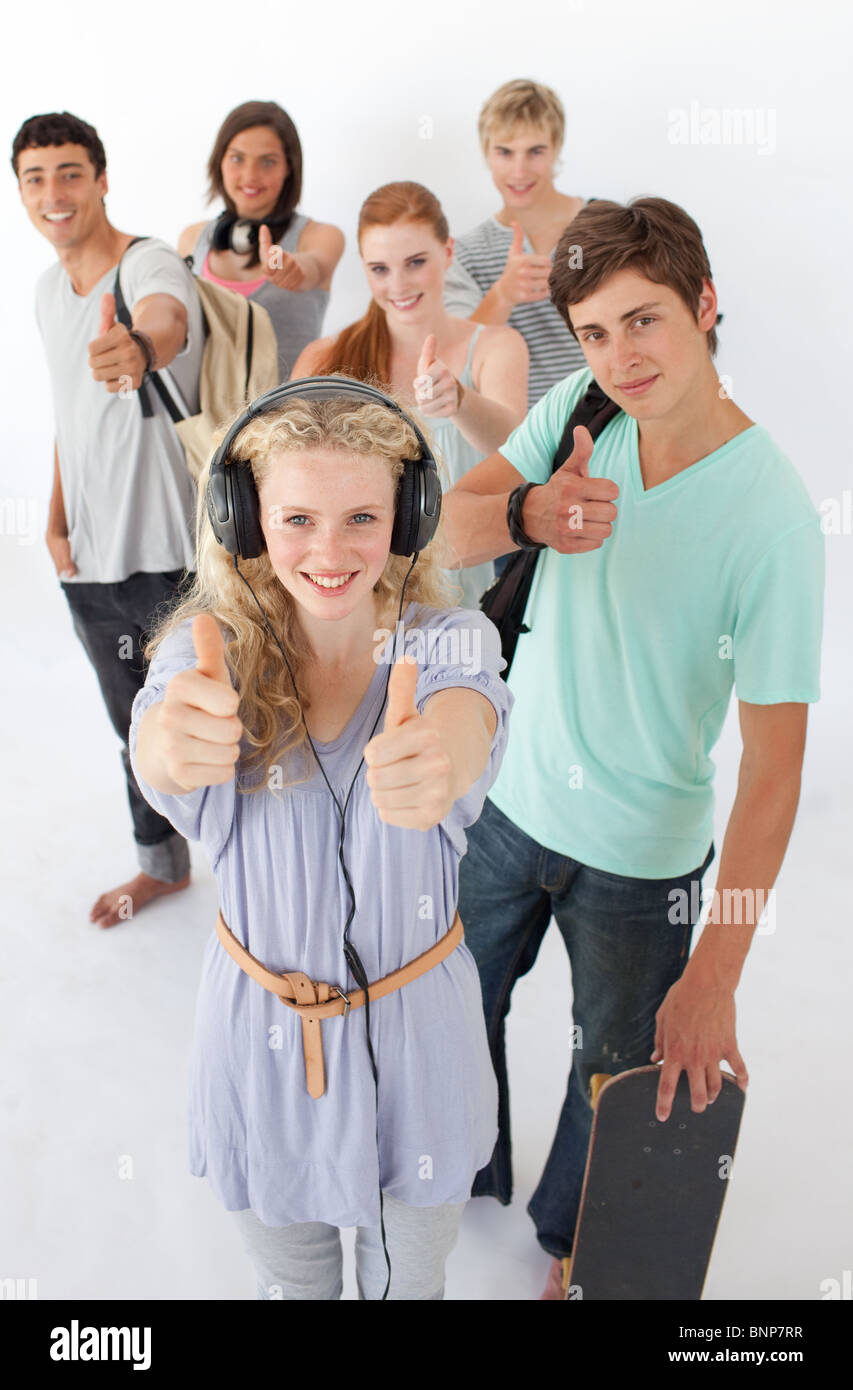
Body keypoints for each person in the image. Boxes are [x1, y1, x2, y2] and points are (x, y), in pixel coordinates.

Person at [438, 196, 824, 1298]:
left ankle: (569, 1249)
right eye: (596, 331)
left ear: (705, 306)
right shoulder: (579, 411)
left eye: (643, 321)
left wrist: (717, 966)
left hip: (640, 863)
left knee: (608, 1077)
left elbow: (776, 770)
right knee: (447, 1006)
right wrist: (531, 513)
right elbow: (449, 525)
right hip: (508, 808)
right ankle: (453, 1173)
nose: (620, 357)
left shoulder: (775, 519)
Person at [128, 381, 514, 1300]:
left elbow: (472, 710)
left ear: (408, 519)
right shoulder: (204, 648)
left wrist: (442, 752)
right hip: (258, 1042)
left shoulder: (449, 641)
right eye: (297, 516)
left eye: (362, 516)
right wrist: (171, 745)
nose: (331, 551)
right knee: (291, 1290)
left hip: (417, 1049)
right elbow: (160, 729)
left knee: (407, 1288)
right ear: (247, 518)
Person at [14, 110, 205, 927]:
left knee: (215, 726)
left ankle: (264, 884)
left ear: (100, 179)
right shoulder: (47, 292)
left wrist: (140, 348)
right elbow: (70, 415)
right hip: (90, 558)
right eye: (34, 178)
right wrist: (57, 522)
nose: (53, 194)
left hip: (171, 553)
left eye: (69, 173)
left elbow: (169, 317)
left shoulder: (147, 260)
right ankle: (161, 866)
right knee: (133, 733)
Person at [291, 181, 528, 609]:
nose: (398, 285)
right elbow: (291, 483)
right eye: (380, 269)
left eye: (416, 262)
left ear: (448, 253)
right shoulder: (322, 358)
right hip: (350, 607)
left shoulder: (497, 346)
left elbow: (514, 451)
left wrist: (461, 402)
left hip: (466, 607)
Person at [443, 79, 589, 410]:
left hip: (614, 427)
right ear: (487, 153)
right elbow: (460, 365)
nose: (519, 171)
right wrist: (503, 295)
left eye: (535, 152)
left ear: (557, 148)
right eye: (505, 153)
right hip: (523, 441)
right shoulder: (465, 254)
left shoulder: (606, 225)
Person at [178, 101, 344, 382]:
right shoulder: (193, 239)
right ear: (219, 160)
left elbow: (313, 266)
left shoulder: (320, 236)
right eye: (237, 158)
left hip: (289, 421)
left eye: (268, 161)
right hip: (211, 422)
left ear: (289, 168)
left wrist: (293, 269)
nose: (250, 176)